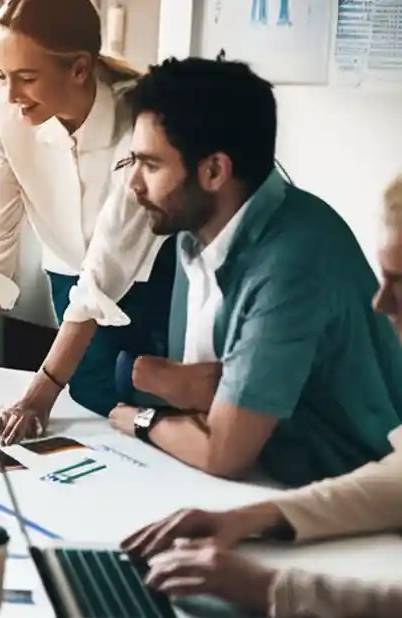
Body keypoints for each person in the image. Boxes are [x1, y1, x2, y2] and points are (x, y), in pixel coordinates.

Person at [106, 57, 402, 486]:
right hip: (258, 479)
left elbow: (223, 451)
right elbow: (202, 406)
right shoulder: (196, 235)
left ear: (214, 171)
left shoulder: (294, 259)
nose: (133, 184)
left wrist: (141, 419)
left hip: (347, 502)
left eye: (151, 165)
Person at [120, 174, 402, 618]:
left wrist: (270, 589)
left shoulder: (298, 249)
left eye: (398, 281)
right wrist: (250, 518)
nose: (380, 303)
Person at [0, 0, 173, 443]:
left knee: (152, 426)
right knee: (91, 420)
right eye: (0, 75)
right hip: (69, 284)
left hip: (152, 288)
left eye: (26, 78)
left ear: (79, 68)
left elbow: (105, 270)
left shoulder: (139, 124)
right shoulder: (5, 114)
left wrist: (39, 393)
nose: (11, 95)